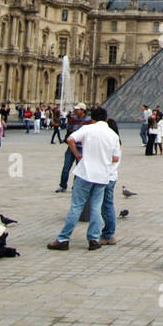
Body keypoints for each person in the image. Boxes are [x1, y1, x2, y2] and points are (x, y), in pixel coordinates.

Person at [47, 107, 122, 250]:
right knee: (95, 209)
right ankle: (94, 239)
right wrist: (104, 158)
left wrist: (77, 155)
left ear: (92, 119)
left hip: (85, 173)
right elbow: (116, 158)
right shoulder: (113, 135)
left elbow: (70, 139)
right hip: (102, 177)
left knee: (76, 207)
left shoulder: (88, 129)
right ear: (106, 119)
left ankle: (63, 239)